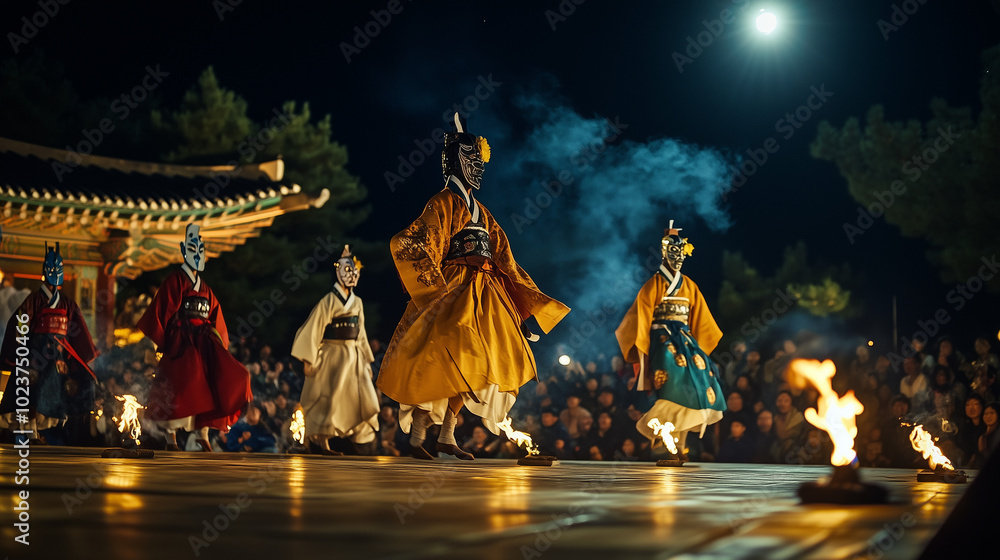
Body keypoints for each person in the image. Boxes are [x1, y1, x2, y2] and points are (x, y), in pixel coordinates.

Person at [377, 114, 570, 460]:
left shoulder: (483, 212)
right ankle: (420, 432)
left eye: (481, 162)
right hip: (451, 290)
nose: (479, 169)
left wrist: (520, 307)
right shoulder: (442, 202)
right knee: (443, 359)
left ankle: (447, 434)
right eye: (472, 161)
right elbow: (418, 241)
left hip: (484, 293)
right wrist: (430, 289)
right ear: (455, 162)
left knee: (477, 362)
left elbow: (505, 259)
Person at [615, 221, 726, 461]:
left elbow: (702, 320)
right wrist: (644, 348)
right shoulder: (653, 285)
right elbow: (640, 318)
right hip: (662, 340)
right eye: (672, 252)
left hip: (686, 340)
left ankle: (680, 446)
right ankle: (661, 442)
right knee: (671, 388)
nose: (677, 258)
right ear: (664, 253)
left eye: (680, 253)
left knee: (700, 385)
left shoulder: (690, 286)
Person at [137, 224, 253, 452]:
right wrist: (157, 344)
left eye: (201, 249)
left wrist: (220, 346)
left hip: (204, 341)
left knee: (218, 381)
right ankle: (171, 437)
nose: (197, 254)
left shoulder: (206, 288)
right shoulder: (175, 280)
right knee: (184, 384)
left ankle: (203, 433)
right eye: (192, 248)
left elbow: (216, 318)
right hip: (181, 342)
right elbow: (162, 312)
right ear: (183, 250)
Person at [0, 243, 98, 444]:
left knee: (59, 392)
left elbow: (76, 327)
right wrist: (21, 346)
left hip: (57, 357)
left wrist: (81, 356)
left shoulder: (67, 303)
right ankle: (31, 432)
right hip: (35, 356)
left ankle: (40, 433)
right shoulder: (34, 300)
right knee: (30, 395)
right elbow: (20, 322)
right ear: (45, 271)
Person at [291, 246, 379, 456]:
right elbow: (314, 328)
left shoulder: (357, 302)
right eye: (347, 270)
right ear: (339, 271)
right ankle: (323, 444)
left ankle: (354, 437)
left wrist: (366, 361)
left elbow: (361, 333)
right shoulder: (328, 300)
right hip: (332, 354)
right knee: (329, 399)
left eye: (354, 271)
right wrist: (308, 358)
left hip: (353, 355)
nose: (351, 274)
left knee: (362, 398)